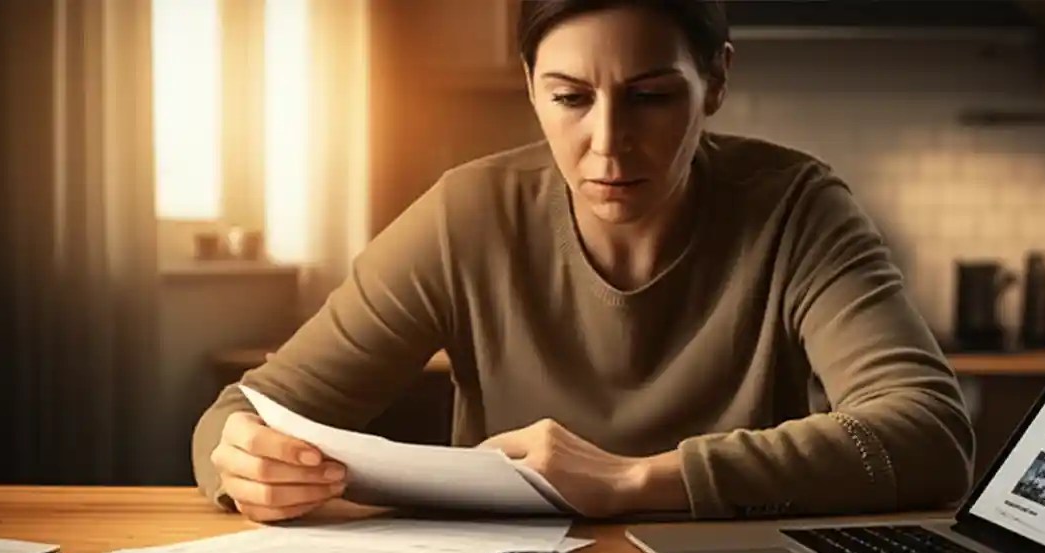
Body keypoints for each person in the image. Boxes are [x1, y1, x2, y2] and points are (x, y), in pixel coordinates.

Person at [191, 0, 975, 524]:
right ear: (530, 86)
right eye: (570, 98)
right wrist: (242, 462)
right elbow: (241, 414)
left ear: (717, 82)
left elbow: (930, 435)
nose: (607, 143)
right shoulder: (467, 213)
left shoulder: (797, 206)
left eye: (651, 97)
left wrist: (631, 482)